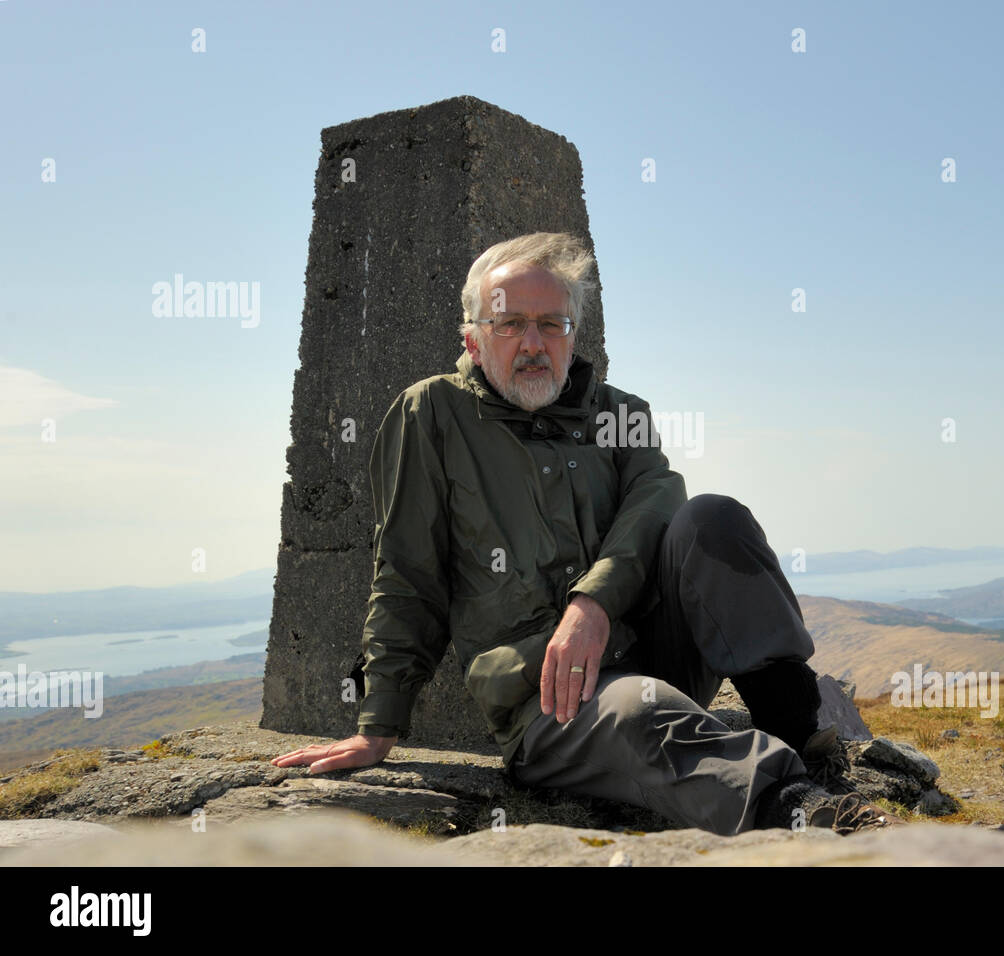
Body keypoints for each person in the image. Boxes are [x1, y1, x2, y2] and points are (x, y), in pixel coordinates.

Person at [272, 232, 895, 835]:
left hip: (654, 649)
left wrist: (593, 601)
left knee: (712, 517)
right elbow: (408, 576)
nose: (533, 343)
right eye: (510, 323)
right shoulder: (430, 414)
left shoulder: (620, 413)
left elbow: (658, 504)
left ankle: (802, 738)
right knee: (640, 709)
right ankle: (803, 809)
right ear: (473, 337)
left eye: (551, 324)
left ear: (573, 336)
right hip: (546, 700)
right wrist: (379, 723)